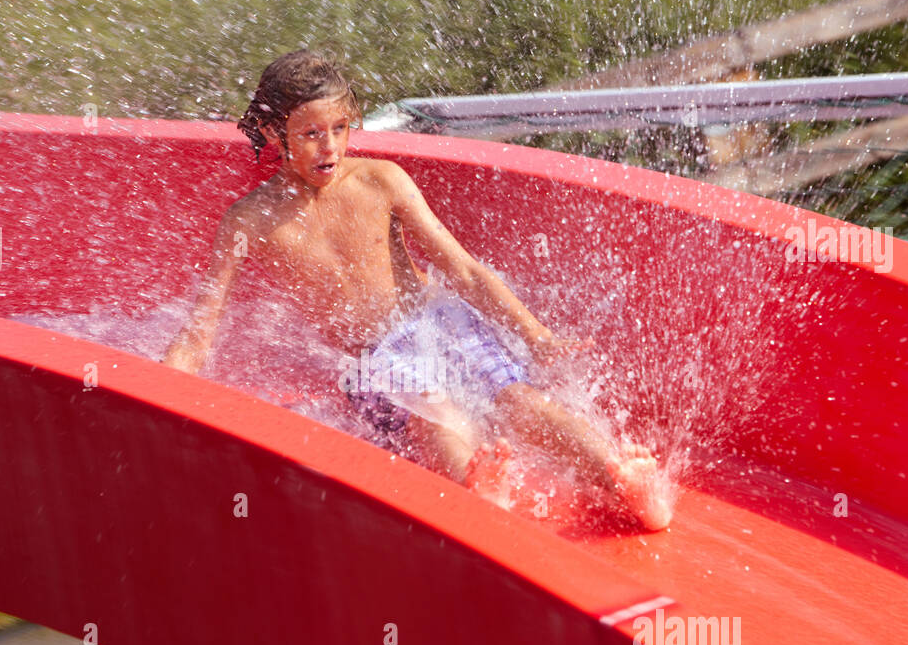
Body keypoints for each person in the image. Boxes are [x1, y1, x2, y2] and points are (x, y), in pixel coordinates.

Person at [163, 50, 672, 531]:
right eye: (312, 133)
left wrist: (535, 335)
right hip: (373, 359)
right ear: (275, 132)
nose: (331, 147)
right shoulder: (249, 220)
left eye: (340, 128)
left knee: (518, 399)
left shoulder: (381, 181)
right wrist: (161, 396)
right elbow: (200, 331)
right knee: (433, 413)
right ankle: (477, 483)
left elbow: (465, 271)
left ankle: (620, 477)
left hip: (436, 320)